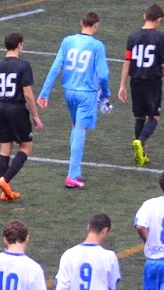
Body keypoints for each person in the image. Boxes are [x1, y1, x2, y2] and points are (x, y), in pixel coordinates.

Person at [37, 11, 111, 189]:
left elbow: (56, 67)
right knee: (80, 129)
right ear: (96, 25)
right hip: (86, 93)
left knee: (75, 126)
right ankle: (71, 175)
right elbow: (103, 74)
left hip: (68, 91)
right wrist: (105, 94)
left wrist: (44, 93)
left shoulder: (67, 41)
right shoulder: (97, 45)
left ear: (81, 22)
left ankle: (75, 171)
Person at [0, 31, 43, 201]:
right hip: (16, 109)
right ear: (19, 45)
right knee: (26, 146)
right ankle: (5, 180)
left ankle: (5, 192)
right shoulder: (23, 65)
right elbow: (27, 94)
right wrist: (35, 116)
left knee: (5, 148)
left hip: (1, 107)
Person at [118, 4, 164, 167]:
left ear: (145, 16)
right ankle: (140, 141)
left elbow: (127, 62)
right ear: (158, 20)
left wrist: (122, 85)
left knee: (140, 116)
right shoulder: (160, 38)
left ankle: (141, 154)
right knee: (154, 116)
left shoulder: (132, 37)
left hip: (135, 81)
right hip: (152, 81)